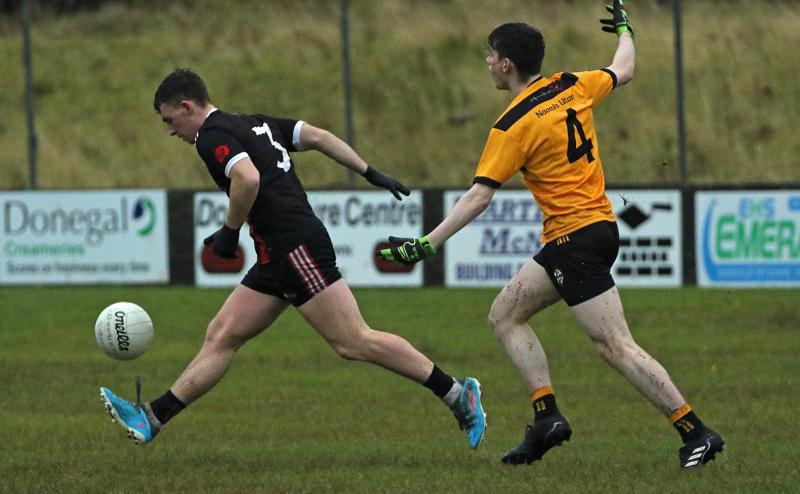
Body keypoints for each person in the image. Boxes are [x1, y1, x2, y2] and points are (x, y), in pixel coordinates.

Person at [379, 1, 723, 469]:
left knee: (615, 346)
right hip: (594, 230)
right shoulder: (572, 85)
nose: (486, 63)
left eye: (489, 55)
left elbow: (479, 198)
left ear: (507, 64)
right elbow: (625, 67)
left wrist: (426, 243)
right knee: (505, 314)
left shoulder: (511, 125)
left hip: (574, 241)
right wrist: (626, 30)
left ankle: (696, 432)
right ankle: (546, 417)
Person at [99, 68, 486, 450]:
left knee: (353, 340)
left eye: (170, 120)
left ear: (186, 107)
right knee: (222, 335)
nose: (171, 130)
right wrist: (368, 171)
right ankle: (151, 417)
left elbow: (247, 179)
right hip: (277, 254)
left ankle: (456, 393)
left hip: (294, 247)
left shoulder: (210, 136)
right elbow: (317, 136)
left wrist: (230, 233)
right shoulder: (255, 124)